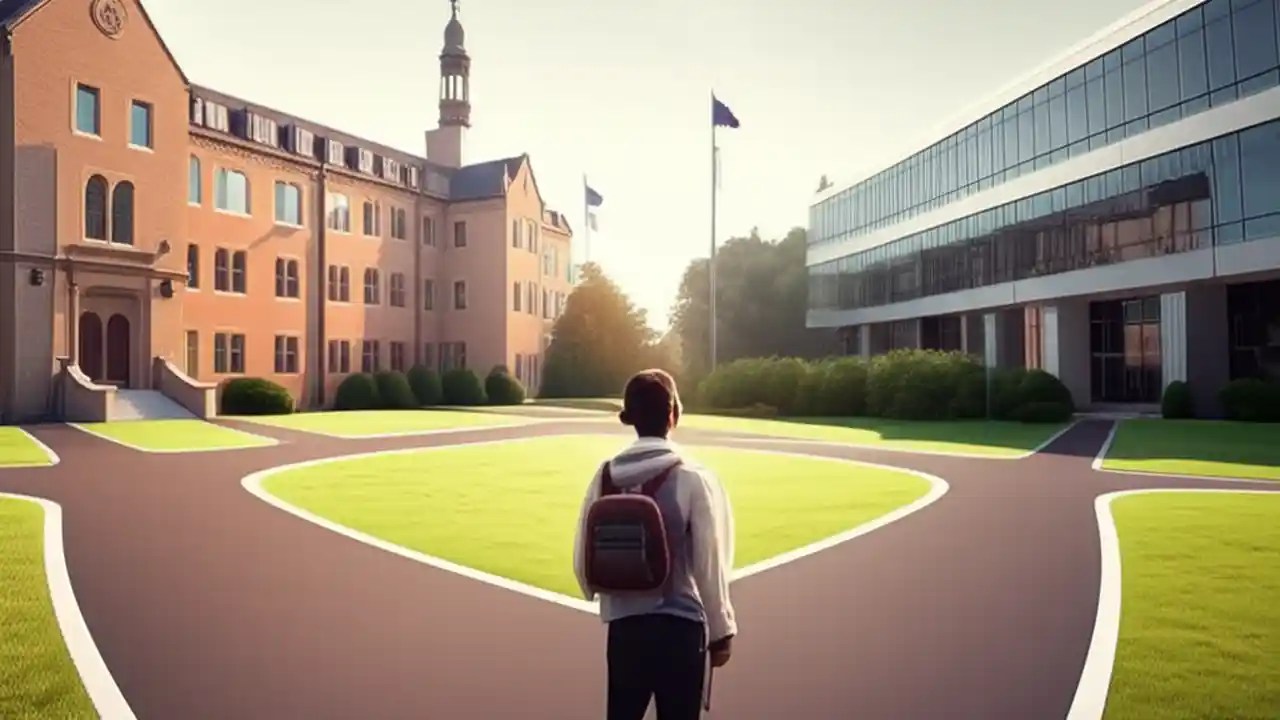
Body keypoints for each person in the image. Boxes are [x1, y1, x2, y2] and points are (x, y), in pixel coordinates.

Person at [572, 369, 737, 720]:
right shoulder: (692, 477)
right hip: (681, 629)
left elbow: (581, 559)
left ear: (629, 417)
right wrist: (721, 632)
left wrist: (601, 596)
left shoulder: (604, 477)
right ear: (674, 414)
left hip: (625, 630)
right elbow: (709, 562)